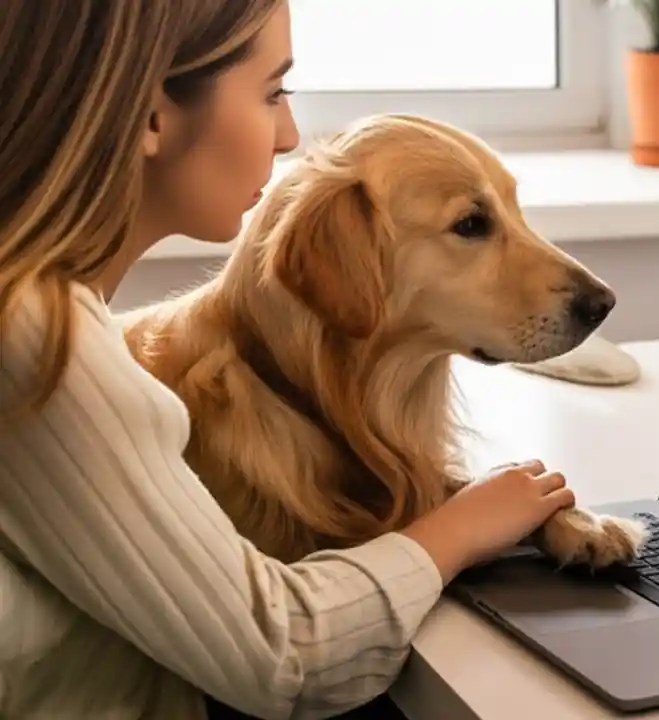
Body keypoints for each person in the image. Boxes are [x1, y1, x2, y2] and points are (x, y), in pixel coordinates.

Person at [0, 2, 577, 718]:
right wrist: (458, 527)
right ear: (152, 116)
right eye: (272, 93)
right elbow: (281, 656)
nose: (288, 135)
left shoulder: (60, 318)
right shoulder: (39, 341)